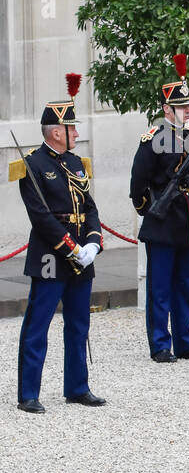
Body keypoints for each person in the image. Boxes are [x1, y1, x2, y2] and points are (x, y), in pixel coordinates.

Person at [11, 77, 106, 413]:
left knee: (79, 323)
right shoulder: (33, 165)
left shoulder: (77, 163)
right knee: (38, 325)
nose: (77, 133)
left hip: (82, 254)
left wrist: (92, 244)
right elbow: (41, 217)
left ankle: (77, 387)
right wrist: (72, 249)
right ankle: (28, 394)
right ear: (55, 131)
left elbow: (90, 208)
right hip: (52, 255)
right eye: (71, 128)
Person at [129, 54, 189, 362]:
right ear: (166, 108)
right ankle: (160, 344)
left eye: (188, 107)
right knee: (160, 287)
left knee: (184, 284)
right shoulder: (152, 139)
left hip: (186, 220)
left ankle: (185, 341)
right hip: (162, 222)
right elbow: (138, 184)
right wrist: (151, 211)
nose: (187, 111)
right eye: (181, 107)